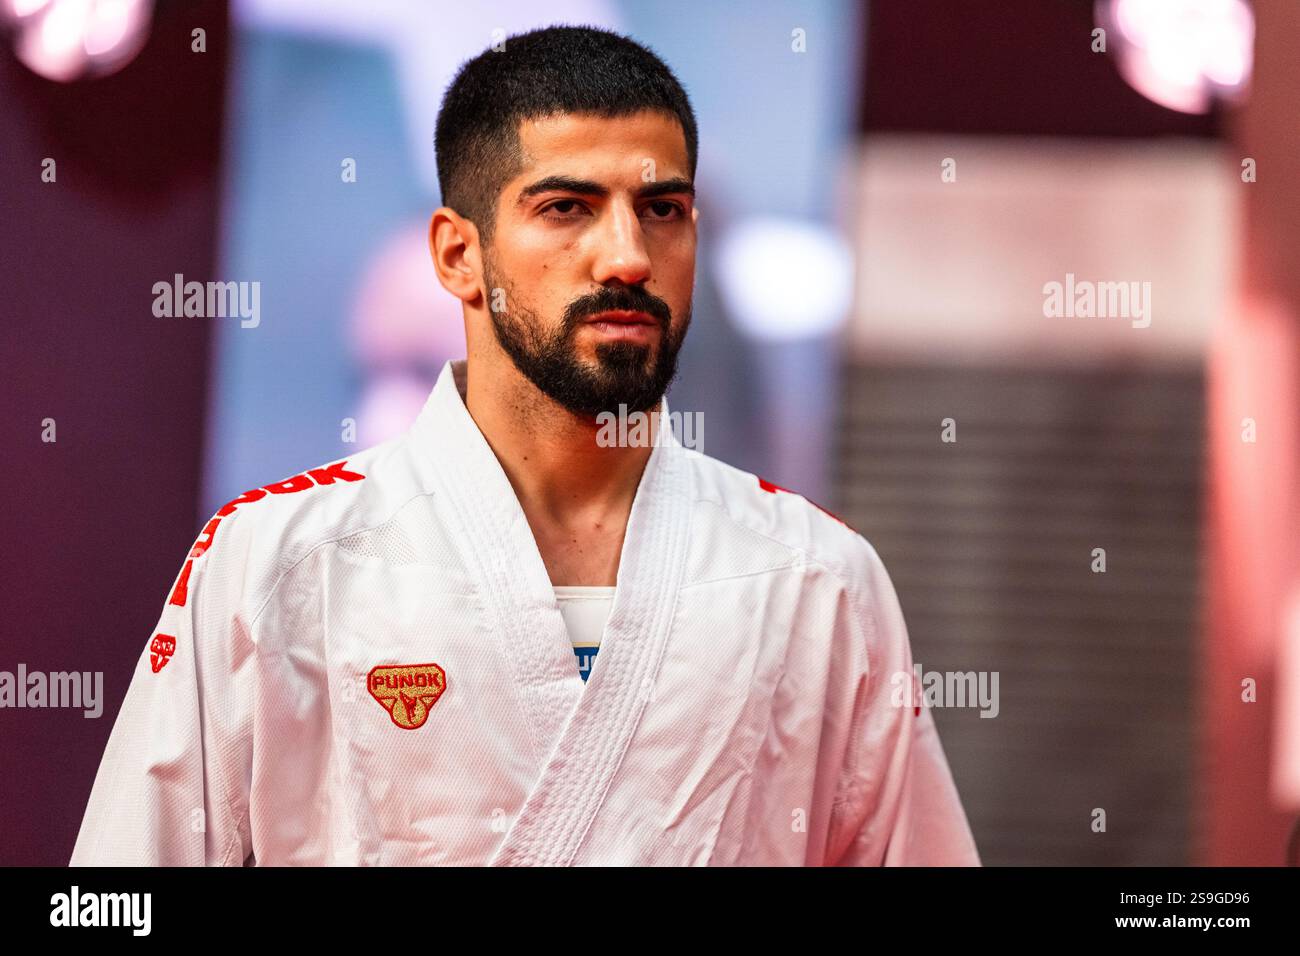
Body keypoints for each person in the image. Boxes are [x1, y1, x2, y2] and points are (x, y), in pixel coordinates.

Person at [70, 24, 979, 866]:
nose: (626, 254)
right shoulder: (270, 565)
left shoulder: (817, 581)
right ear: (458, 255)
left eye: (662, 209)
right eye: (566, 207)